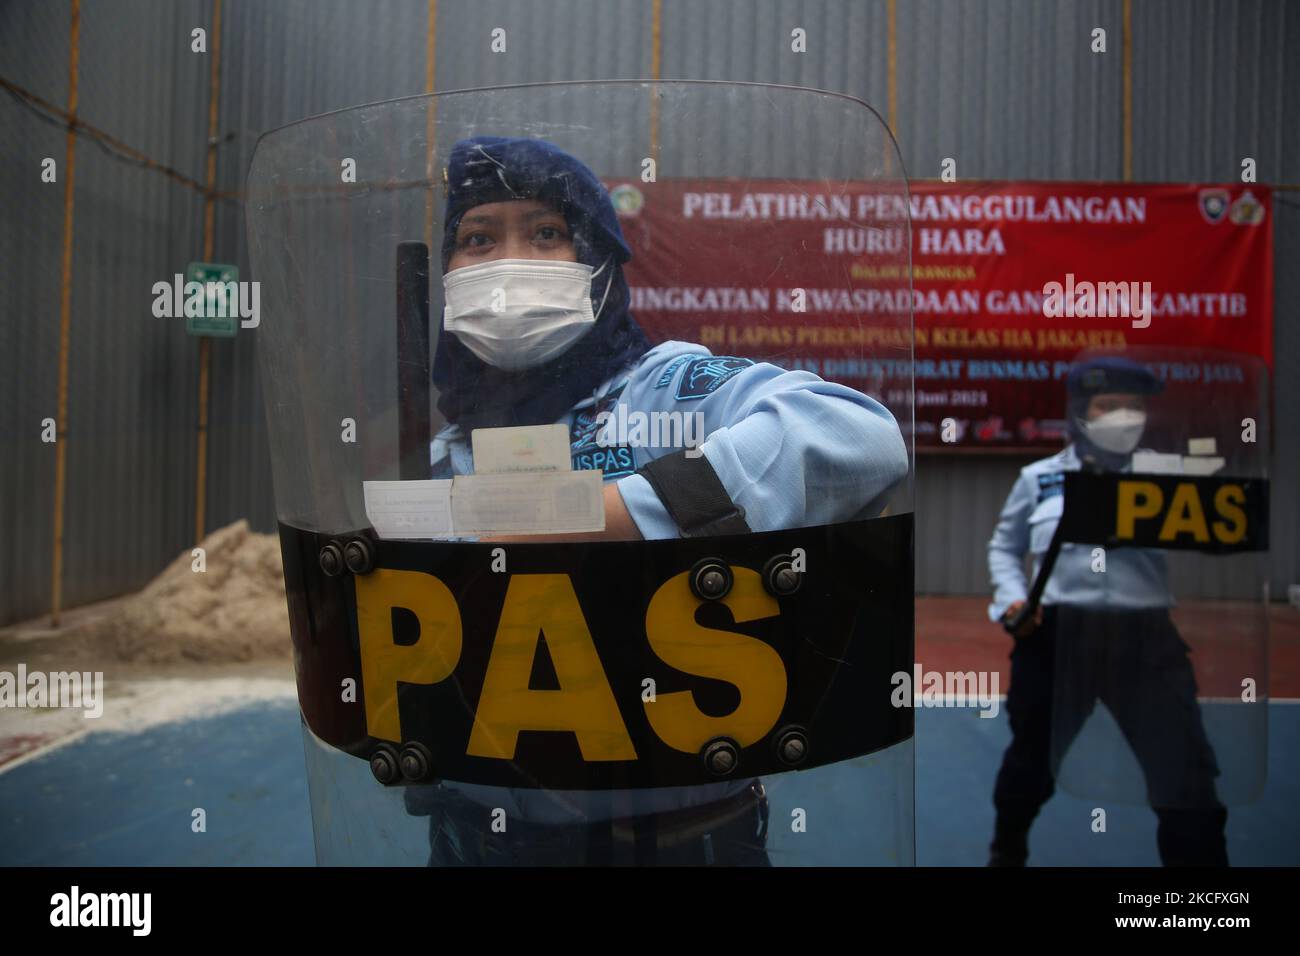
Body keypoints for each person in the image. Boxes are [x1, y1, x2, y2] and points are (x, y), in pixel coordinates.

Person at [404, 135, 910, 865]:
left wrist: (617, 513)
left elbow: (860, 439)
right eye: (477, 237)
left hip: (678, 842)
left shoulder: (663, 391)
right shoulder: (446, 454)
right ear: (445, 273)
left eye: (546, 233)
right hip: (470, 840)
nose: (507, 262)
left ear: (600, 265)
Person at [985, 356, 1228, 867]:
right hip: (1055, 637)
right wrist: (1012, 600)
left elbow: (1219, 529)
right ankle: (1007, 849)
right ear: (1081, 413)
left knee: (1185, 775)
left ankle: (1204, 893)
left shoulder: (1168, 479)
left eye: (1133, 406)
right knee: (1030, 764)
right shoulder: (1040, 478)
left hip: (1147, 643)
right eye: (1108, 405)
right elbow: (1005, 548)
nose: (1122, 416)